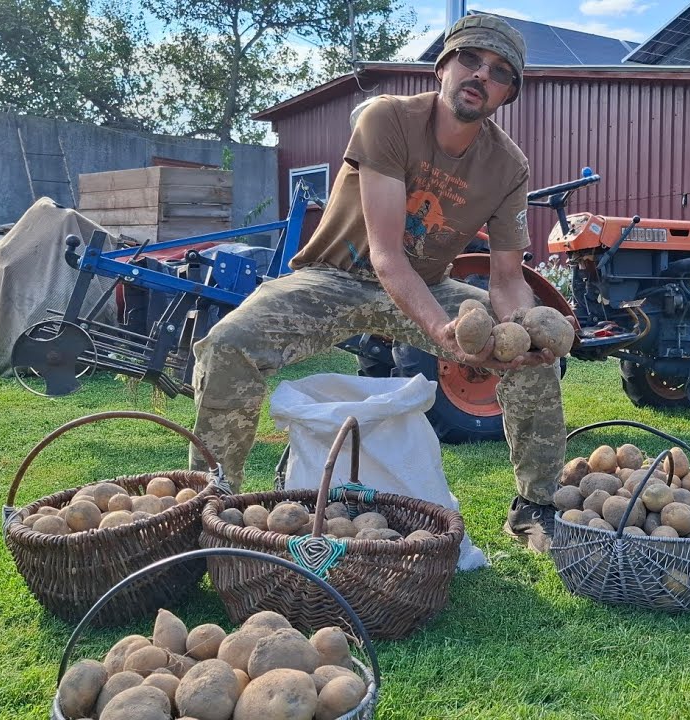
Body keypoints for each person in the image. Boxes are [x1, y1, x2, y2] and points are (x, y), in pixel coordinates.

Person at [188, 14, 565, 551]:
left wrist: (518, 330)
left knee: (535, 363)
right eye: (471, 59)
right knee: (228, 345)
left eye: (500, 71)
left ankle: (535, 505)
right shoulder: (388, 119)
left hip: (428, 284)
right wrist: (441, 332)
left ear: (509, 93)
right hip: (335, 276)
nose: (482, 75)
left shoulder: (508, 166)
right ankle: (211, 501)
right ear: (443, 67)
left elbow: (506, 277)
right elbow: (386, 255)